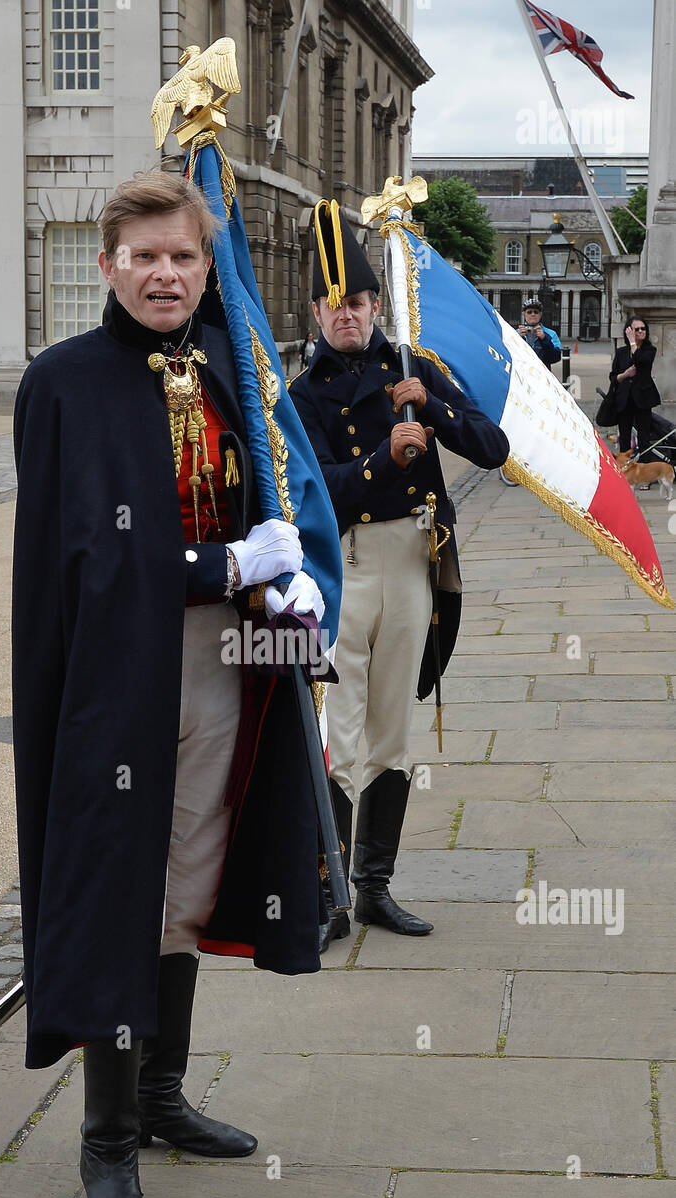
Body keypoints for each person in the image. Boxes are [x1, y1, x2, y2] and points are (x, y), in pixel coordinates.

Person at [12, 171, 337, 1198]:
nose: (164, 273)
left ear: (206, 268)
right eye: (144, 256)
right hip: (117, 681)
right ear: (106, 265)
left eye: (183, 257)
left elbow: (270, 500)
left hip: (223, 667)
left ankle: (159, 1098)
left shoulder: (227, 368)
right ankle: (106, 1141)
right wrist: (219, 558)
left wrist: (280, 583)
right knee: (123, 888)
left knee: (189, 881)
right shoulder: (62, 383)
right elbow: (89, 557)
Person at [289, 200, 509, 951]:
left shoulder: (415, 369)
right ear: (316, 310)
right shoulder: (303, 394)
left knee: (394, 733)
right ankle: (326, 893)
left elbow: (494, 447)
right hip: (346, 567)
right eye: (332, 304)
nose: (345, 315)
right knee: (338, 734)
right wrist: (385, 458)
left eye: (357, 301)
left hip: (414, 560)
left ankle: (374, 886)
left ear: (376, 303)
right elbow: (316, 494)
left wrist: (434, 410)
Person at [500, 296, 563, 484]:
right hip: (521, 385)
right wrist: (516, 340)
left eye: (536, 312)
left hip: (542, 386)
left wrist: (544, 340)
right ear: (524, 315)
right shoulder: (515, 333)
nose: (533, 315)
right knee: (520, 423)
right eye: (529, 312)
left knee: (542, 424)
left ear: (540, 315)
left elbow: (555, 357)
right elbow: (504, 355)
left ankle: (541, 462)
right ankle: (519, 462)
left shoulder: (549, 333)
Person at [609, 316, 661, 466]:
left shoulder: (649, 350)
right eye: (636, 329)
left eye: (643, 329)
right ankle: (625, 470)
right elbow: (613, 377)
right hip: (624, 399)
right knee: (624, 438)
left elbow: (640, 360)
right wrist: (624, 375)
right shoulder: (621, 352)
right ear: (629, 331)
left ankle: (645, 473)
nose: (640, 331)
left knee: (644, 438)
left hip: (643, 398)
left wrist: (633, 342)